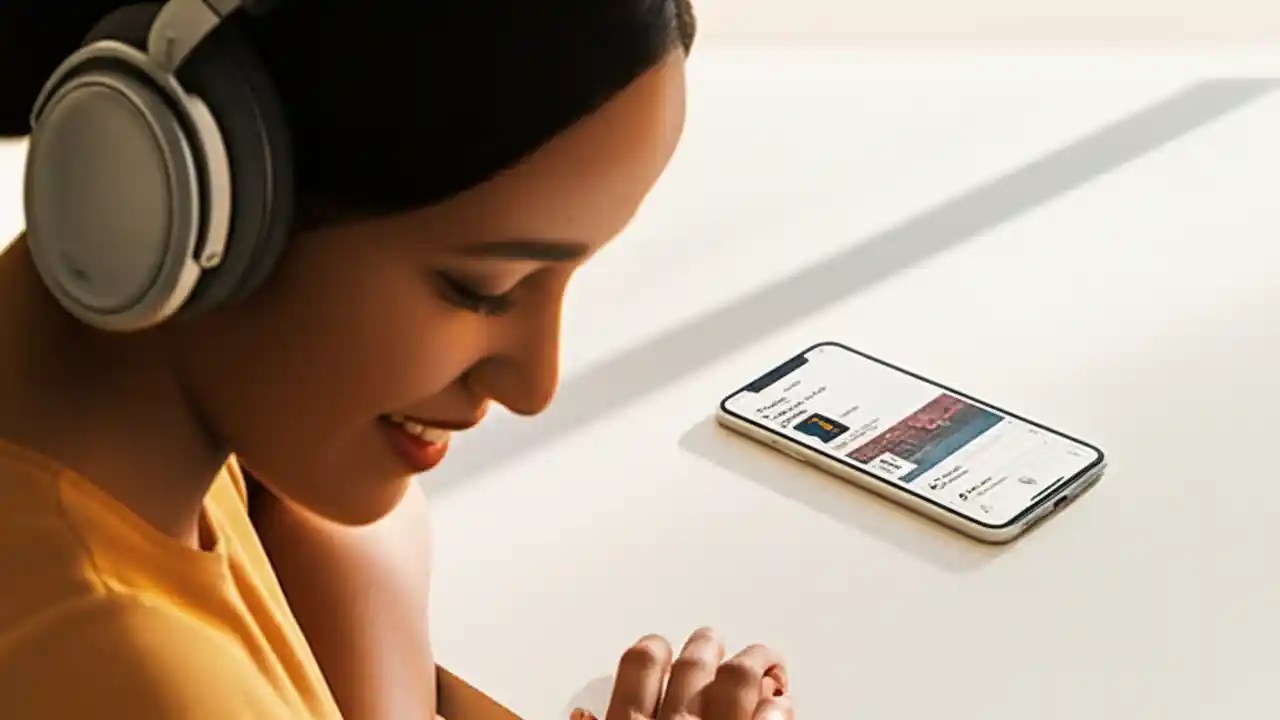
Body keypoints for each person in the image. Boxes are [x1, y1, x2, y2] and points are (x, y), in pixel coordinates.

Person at [0, 2, 795, 719]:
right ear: (169, 191)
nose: (535, 385)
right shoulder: (126, 670)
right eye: (481, 287)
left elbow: (346, 521)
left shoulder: (119, 434)